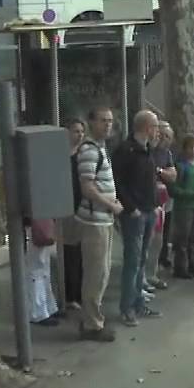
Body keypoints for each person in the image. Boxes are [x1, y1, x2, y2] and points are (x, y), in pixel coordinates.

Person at [70, 107, 123, 342]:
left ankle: (92, 319)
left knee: (101, 273)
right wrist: (110, 204)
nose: (108, 125)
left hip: (103, 218)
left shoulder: (100, 148)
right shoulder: (90, 151)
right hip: (94, 222)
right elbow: (88, 188)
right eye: (103, 120)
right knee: (96, 273)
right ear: (91, 122)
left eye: (110, 121)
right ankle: (92, 324)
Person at [112, 110, 164, 327]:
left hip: (149, 210)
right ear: (146, 127)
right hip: (135, 213)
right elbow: (118, 182)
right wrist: (130, 207)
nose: (157, 131)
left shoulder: (147, 149)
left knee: (142, 259)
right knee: (132, 260)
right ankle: (127, 308)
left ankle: (138, 302)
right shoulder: (126, 150)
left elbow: (149, 180)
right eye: (155, 126)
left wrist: (155, 204)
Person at [169, 134, 194, 278]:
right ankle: (181, 267)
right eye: (190, 147)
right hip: (184, 207)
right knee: (183, 239)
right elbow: (174, 190)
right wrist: (192, 194)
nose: (193, 151)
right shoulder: (180, 166)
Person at [147, 121, 177, 289]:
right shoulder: (147, 150)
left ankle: (152, 274)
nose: (164, 139)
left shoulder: (167, 153)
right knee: (147, 240)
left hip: (162, 202)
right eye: (161, 135)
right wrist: (162, 173)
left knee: (158, 239)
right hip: (147, 202)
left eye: (168, 136)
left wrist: (159, 171)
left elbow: (173, 175)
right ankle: (142, 278)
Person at [63, 118, 87, 311]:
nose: (79, 135)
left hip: (83, 208)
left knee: (82, 253)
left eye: (81, 131)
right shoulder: (61, 156)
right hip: (67, 209)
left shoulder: (84, 155)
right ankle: (71, 294)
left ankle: (80, 292)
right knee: (70, 252)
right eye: (75, 131)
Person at [26, 219, 60, 325]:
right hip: (33, 222)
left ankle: (47, 308)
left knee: (43, 268)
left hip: (37, 220)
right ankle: (38, 312)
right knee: (36, 270)